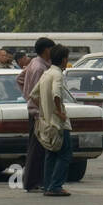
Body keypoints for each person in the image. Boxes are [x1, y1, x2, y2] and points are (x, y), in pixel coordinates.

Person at [30, 44, 73, 196]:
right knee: (65, 153)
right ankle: (56, 186)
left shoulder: (46, 73)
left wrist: (44, 109)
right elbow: (56, 93)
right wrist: (59, 112)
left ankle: (48, 185)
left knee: (51, 154)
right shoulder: (58, 75)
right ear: (64, 59)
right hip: (58, 122)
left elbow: (33, 95)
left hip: (47, 121)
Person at [17, 37, 55, 192]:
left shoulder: (34, 63)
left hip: (34, 110)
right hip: (39, 112)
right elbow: (40, 92)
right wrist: (33, 99)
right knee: (37, 148)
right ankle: (32, 182)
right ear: (46, 50)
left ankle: (34, 180)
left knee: (36, 146)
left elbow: (19, 78)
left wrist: (27, 94)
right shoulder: (40, 68)